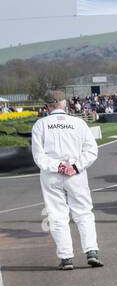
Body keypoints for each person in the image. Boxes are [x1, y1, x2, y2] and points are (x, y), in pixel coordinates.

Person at [29, 90, 103, 270]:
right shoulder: (78, 123)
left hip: (52, 175)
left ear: (47, 107)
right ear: (65, 104)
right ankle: (92, 251)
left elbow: (39, 157)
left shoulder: (41, 125)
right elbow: (92, 151)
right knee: (84, 213)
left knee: (57, 215)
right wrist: (75, 167)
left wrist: (59, 167)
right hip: (76, 174)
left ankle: (66, 257)